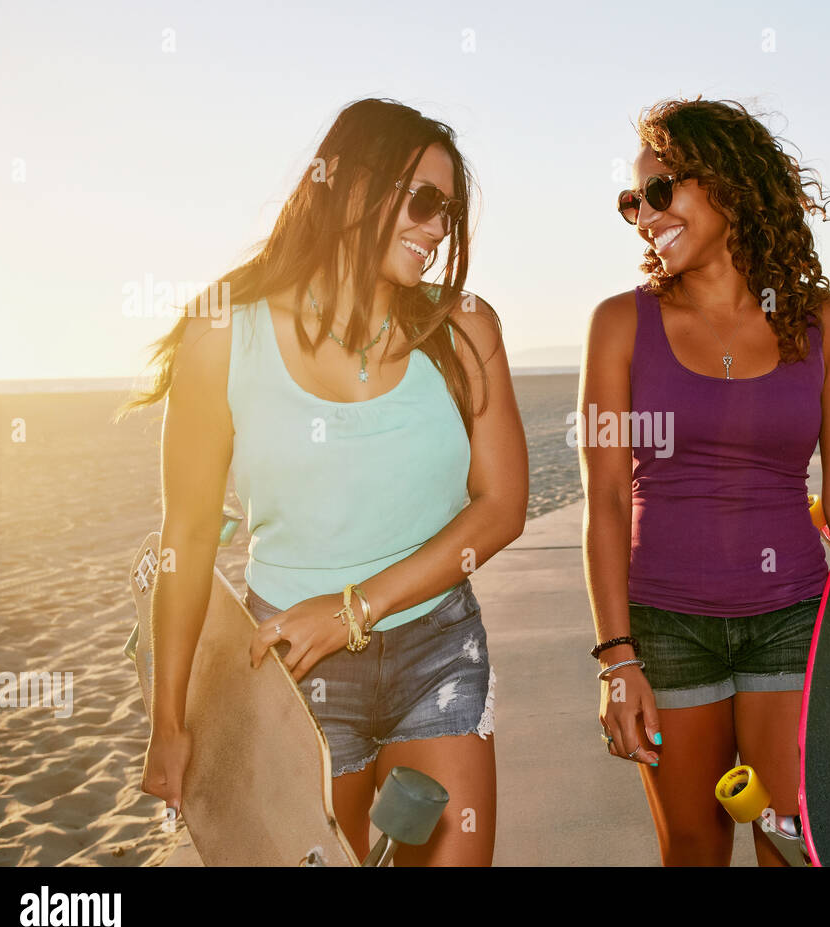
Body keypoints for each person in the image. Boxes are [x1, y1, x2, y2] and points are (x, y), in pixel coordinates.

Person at [117, 97, 528, 865]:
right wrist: (169, 721)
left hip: (437, 649)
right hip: (288, 672)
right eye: (425, 202)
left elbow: (501, 508)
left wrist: (352, 611)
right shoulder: (223, 335)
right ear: (349, 190)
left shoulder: (466, 327)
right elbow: (188, 537)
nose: (439, 229)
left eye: (450, 211)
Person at [578, 97, 830, 866]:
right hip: (664, 629)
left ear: (728, 186)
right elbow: (602, 502)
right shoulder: (619, 325)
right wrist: (616, 659)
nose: (643, 216)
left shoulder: (828, 324)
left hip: (793, 623)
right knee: (695, 848)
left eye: (660, 192)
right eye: (632, 202)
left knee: (793, 848)